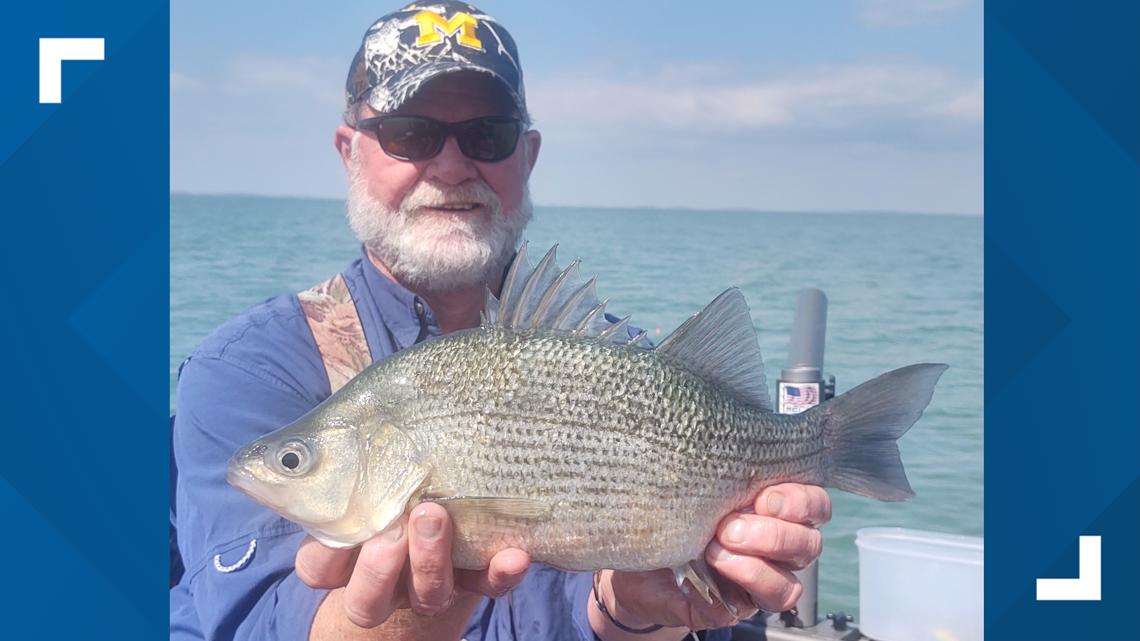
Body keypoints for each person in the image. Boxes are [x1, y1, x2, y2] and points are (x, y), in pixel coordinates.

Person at [169, 2, 832, 640]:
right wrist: (412, 622)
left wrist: (640, 611)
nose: (451, 166)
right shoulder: (247, 374)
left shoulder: (625, 361)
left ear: (529, 154)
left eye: (487, 134)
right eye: (410, 134)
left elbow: (659, 615)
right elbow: (253, 624)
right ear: (349, 151)